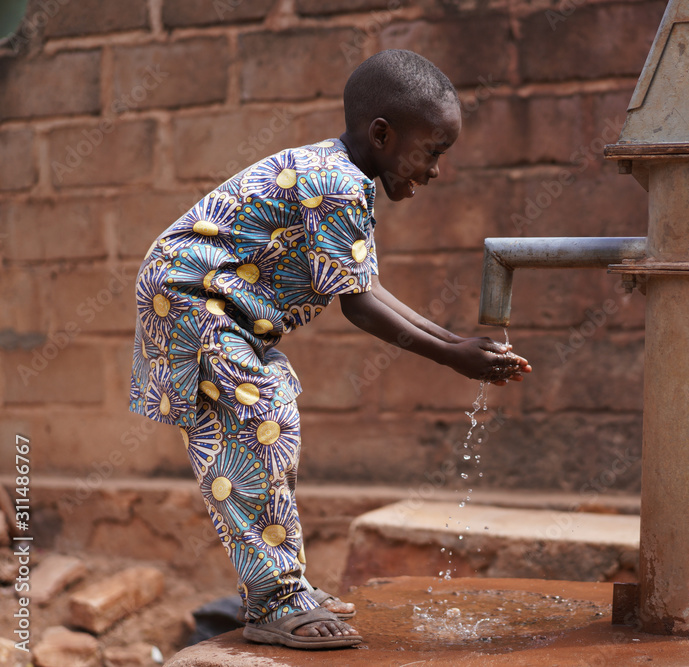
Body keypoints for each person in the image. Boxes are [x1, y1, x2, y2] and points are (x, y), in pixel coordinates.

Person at [128, 49, 530, 650]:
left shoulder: (342, 178)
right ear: (382, 135)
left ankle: (285, 586)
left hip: (225, 313)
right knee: (256, 426)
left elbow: (362, 286)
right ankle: (274, 601)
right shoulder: (337, 184)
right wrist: (451, 357)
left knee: (276, 417)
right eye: (433, 152)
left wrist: (457, 342)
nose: (436, 171)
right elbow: (359, 308)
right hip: (192, 303)